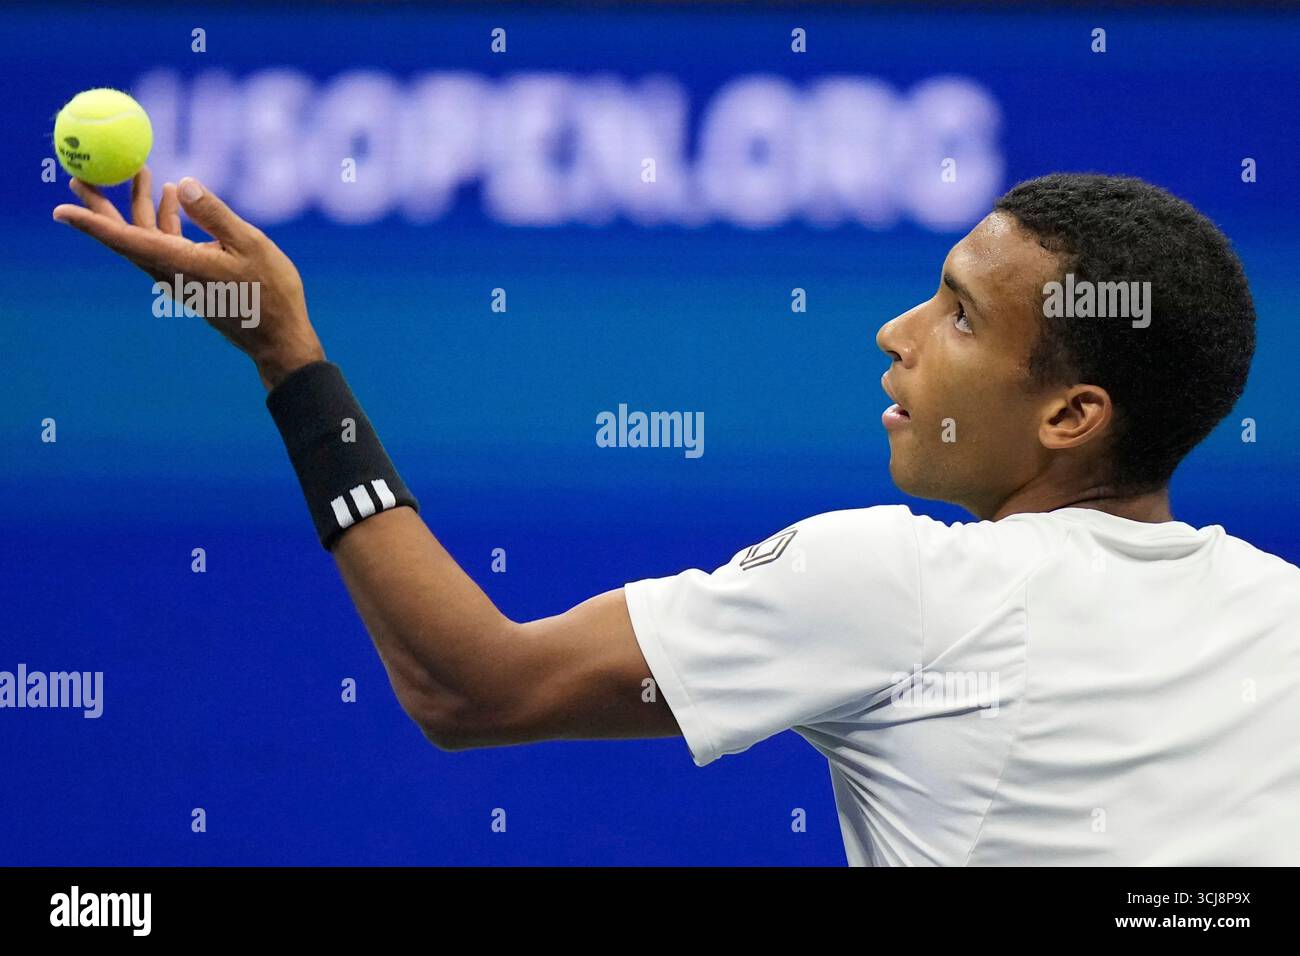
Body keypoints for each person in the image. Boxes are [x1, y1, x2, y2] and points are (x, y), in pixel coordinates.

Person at [52, 171, 1300, 865]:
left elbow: (471, 686)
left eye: (962, 316)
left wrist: (291, 362)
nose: (899, 334)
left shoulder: (905, 582)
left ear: (1070, 416)